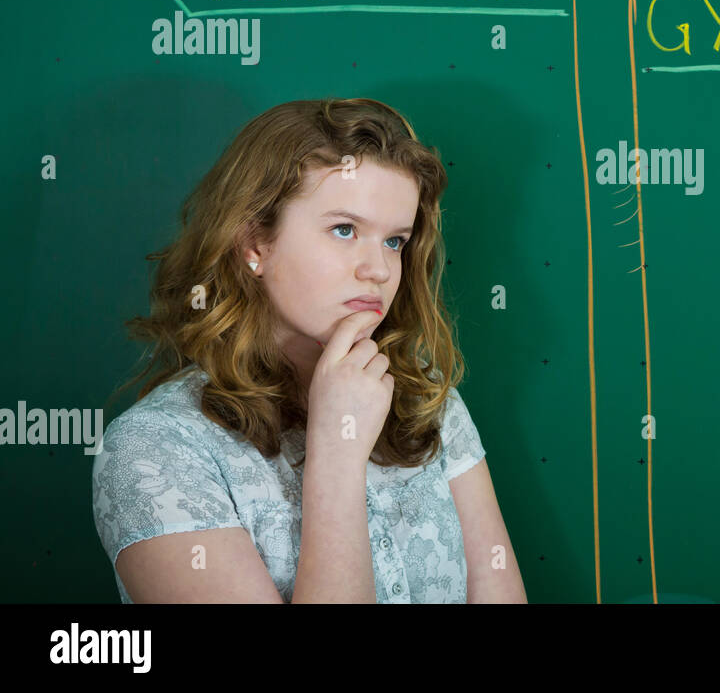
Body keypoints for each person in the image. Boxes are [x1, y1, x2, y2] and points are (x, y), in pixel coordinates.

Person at [91, 97, 525, 603]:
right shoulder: (156, 450)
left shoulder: (425, 397)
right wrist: (337, 455)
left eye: (395, 241)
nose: (379, 271)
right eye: (345, 230)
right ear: (254, 244)